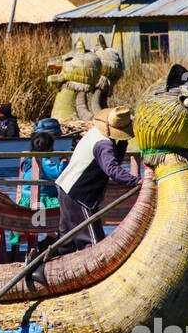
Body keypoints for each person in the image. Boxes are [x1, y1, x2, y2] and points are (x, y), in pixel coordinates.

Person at [54, 106, 140, 252]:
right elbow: (112, 169)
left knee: (65, 242)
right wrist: (137, 181)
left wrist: (122, 143)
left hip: (66, 191)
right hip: (79, 197)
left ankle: (41, 269)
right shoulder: (103, 145)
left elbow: (113, 162)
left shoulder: (95, 132)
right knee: (93, 244)